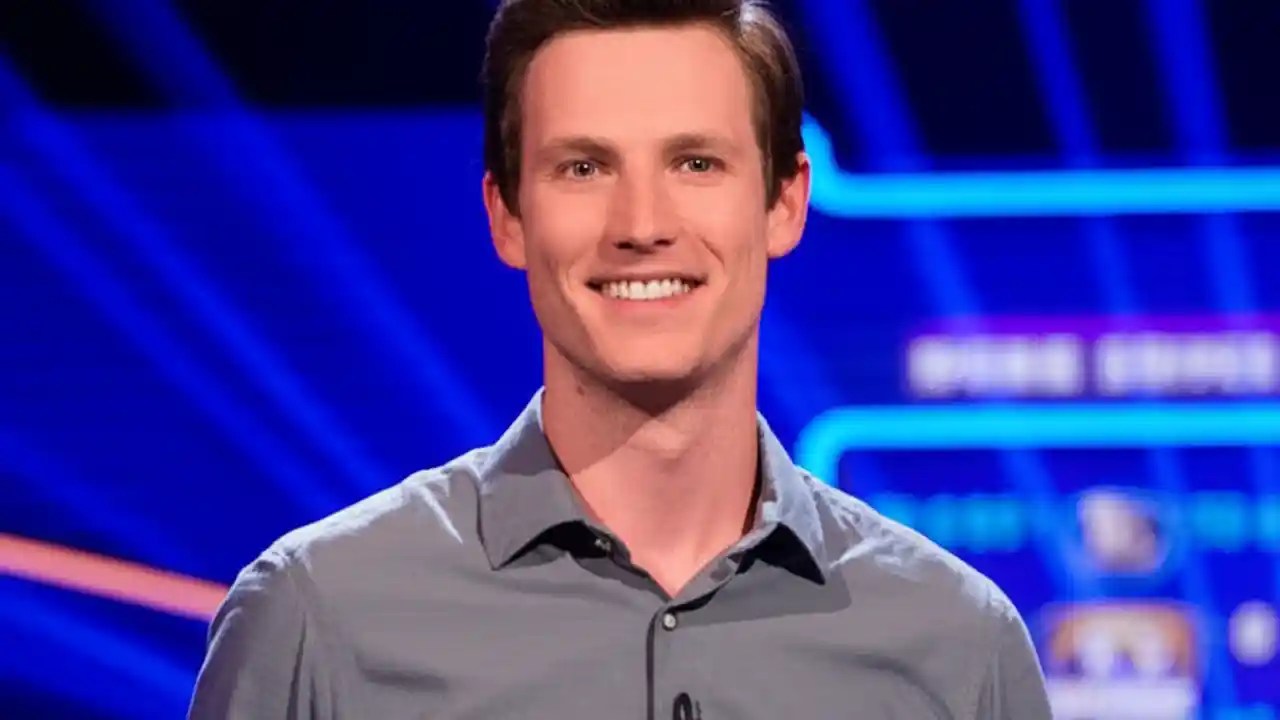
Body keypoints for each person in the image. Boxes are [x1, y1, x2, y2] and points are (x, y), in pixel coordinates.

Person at [188, 0, 1053, 717]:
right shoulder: (321, 619)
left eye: (695, 162)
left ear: (785, 201)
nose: (642, 225)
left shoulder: (956, 647)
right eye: (584, 168)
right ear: (506, 215)